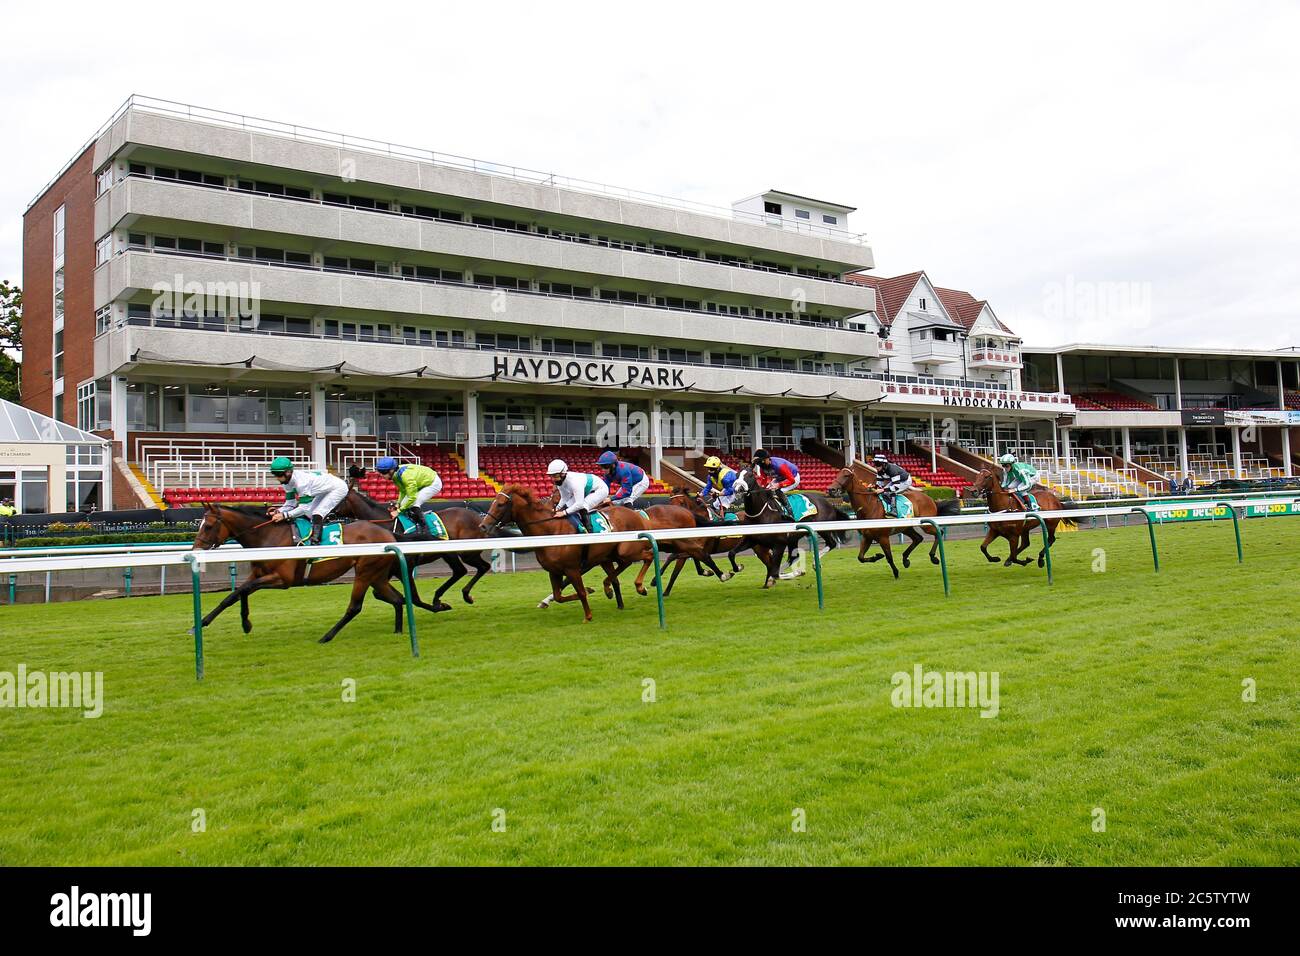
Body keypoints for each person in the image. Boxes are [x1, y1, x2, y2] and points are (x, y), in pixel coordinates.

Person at [267, 456, 349, 545]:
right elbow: (291, 503)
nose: (276, 478)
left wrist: (284, 515)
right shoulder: (287, 482)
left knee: (318, 513)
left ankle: (316, 541)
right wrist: (278, 511)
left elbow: (303, 508)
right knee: (309, 514)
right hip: (323, 490)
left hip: (338, 488)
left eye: (278, 474)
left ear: (288, 472)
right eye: (274, 474)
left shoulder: (301, 483)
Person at [375, 456, 443, 529]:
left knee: (414, 503)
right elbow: (403, 491)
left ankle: (424, 528)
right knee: (402, 504)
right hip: (421, 482)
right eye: (380, 472)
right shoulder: (395, 475)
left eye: (383, 472)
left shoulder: (406, 477)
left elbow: (412, 498)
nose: (381, 475)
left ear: (391, 470)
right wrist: (398, 504)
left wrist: (398, 511)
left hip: (433, 483)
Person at [549, 459, 609, 533]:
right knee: (567, 506)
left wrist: (564, 513)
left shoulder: (575, 482)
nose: (553, 479)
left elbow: (579, 504)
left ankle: (589, 531)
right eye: (551, 476)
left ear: (563, 474)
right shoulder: (560, 482)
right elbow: (564, 498)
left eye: (555, 476)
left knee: (583, 506)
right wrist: (557, 508)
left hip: (600, 489)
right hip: (586, 489)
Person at [751, 449, 800, 519]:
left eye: (762, 462)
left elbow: (791, 480)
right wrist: (762, 488)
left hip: (793, 478)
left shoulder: (779, 465)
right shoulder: (763, 466)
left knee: (777, 491)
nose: (761, 465)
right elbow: (763, 481)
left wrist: (779, 485)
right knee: (768, 489)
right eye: (759, 464)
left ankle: (789, 511)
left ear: (767, 459)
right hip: (780, 478)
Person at [872, 453, 913, 517]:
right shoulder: (880, 470)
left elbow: (896, 487)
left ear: (884, 464)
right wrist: (873, 487)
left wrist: (882, 489)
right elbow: (879, 483)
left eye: (878, 464)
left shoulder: (892, 470)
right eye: (875, 464)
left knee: (889, 491)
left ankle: (894, 510)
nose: (876, 467)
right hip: (896, 481)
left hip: (905, 481)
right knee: (884, 492)